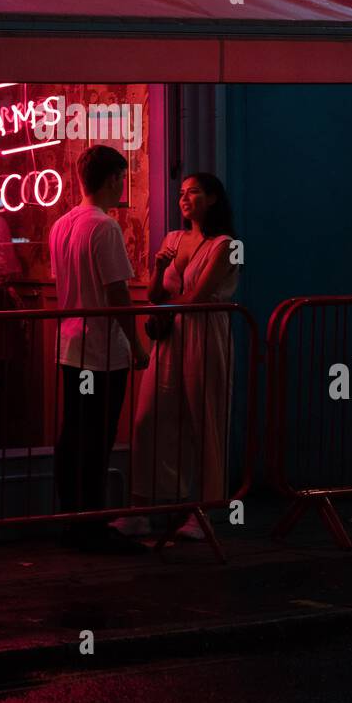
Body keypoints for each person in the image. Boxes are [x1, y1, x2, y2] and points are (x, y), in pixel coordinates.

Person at [113, 173, 239, 541]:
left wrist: (165, 309)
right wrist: (156, 267)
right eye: (181, 193)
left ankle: (203, 512)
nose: (184, 199)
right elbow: (155, 294)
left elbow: (198, 296)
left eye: (193, 192)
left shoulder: (226, 245)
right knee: (150, 418)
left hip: (203, 334)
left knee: (205, 418)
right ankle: (143, 509)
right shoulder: (172, 239)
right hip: (171, 337)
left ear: (213, 198)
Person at [49, 145, 150, 553]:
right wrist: (138, 345)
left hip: (70, 344)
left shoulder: (62, 224)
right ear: (112, 179)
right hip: (102, 350)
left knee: (73, 432)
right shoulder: (104, 227)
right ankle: (91, 522)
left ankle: (72, 517)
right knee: (97, 435)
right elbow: (117, 293)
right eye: (121, 178)